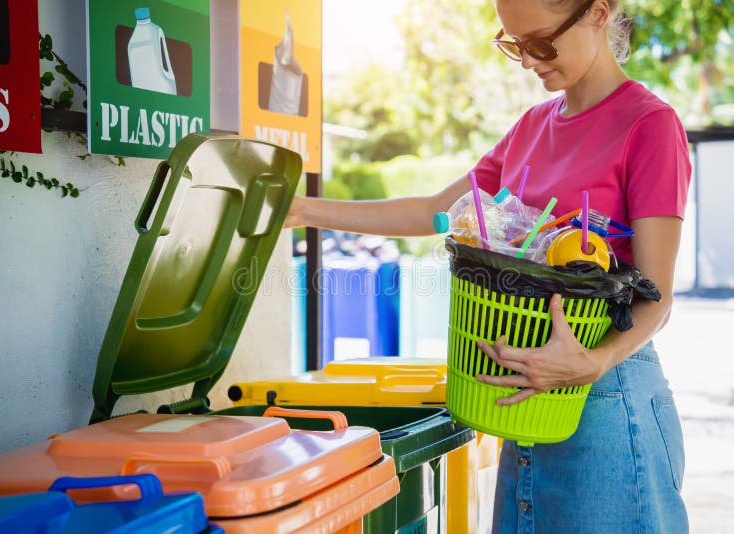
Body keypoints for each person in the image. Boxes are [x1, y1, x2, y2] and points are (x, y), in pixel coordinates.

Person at [285, 0, 691, 531]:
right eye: (514, 45)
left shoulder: (649, 126)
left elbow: (656, 297)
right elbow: (437, 212)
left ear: (597, 13)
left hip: (605, 399)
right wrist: (303, 210)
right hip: (522, 399)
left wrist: (590, 362)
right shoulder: (530, 128)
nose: (527, 61)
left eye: (541, 43)